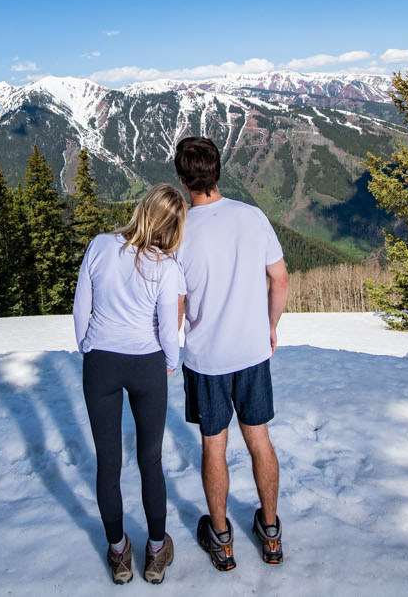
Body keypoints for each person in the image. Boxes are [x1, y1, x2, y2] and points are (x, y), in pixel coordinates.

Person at [173, 135, 289, 570]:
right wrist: (270, 326)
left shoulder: (180, 229)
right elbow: (279, 280)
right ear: (218, 171)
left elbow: (178, 304)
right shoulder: (252, 217)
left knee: (213, 445)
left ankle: (221, 538)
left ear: (183, 179)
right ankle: (271, 533)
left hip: (206, 359)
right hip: (252, 350)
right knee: (258, 438)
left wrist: (171, 343)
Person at [73, 183, 189, 585]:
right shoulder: (167, 267)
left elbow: (81, 307)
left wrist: (89, 345)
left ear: (142, 209)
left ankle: (119, 553)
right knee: (150, 459)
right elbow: (167, 328)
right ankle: (156, 552)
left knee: (109, 462)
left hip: (101, 362)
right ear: (173, 228)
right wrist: (169, 365)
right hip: (147, 365)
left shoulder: (100, 246)